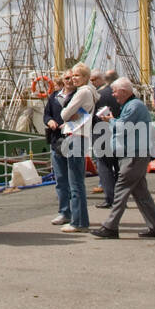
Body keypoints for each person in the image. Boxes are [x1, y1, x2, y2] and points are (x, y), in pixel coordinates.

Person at [91, 78, 155, 239]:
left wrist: (110, 120)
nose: (113, 94)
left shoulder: (134, 106)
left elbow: (123, 127)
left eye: (115, 91)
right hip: (134, 154)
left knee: (121, 189)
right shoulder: (131, 105)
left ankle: (110, 226)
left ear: (124, 91)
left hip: (134, 155)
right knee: (141, 194)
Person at [58, 63, 96, 231]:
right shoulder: (91, 92)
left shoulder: (83, 92)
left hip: (76, 137)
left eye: (77, 76)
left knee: (75, 182)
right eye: (72, 76)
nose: (73, 79)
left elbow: (64, 114)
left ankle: (78, 221)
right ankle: (80, 219)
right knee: (77, 181)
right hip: (80, 135)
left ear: (85, 78)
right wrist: (74, 116)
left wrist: (69, 115)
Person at [43, 74, 74, 226]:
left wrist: (69, 126)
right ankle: (64, 212)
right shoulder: (54, 96)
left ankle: (77, 213)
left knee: (75, 180)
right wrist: (49, 121)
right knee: (60, 180)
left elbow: (85, 116)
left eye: (71, 77)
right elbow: (46, 113)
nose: (68, 80)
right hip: (56, 141)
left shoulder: (79, 95)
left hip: (73, 141)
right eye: (66, 78)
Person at [90, 68, 119, 208]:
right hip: (120, 135)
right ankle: (120, 198)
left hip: (101, 135)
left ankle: (110, 198)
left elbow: (91, 116)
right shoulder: (125, 95)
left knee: (104, 167)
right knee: (119, 167)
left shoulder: (99, 95)